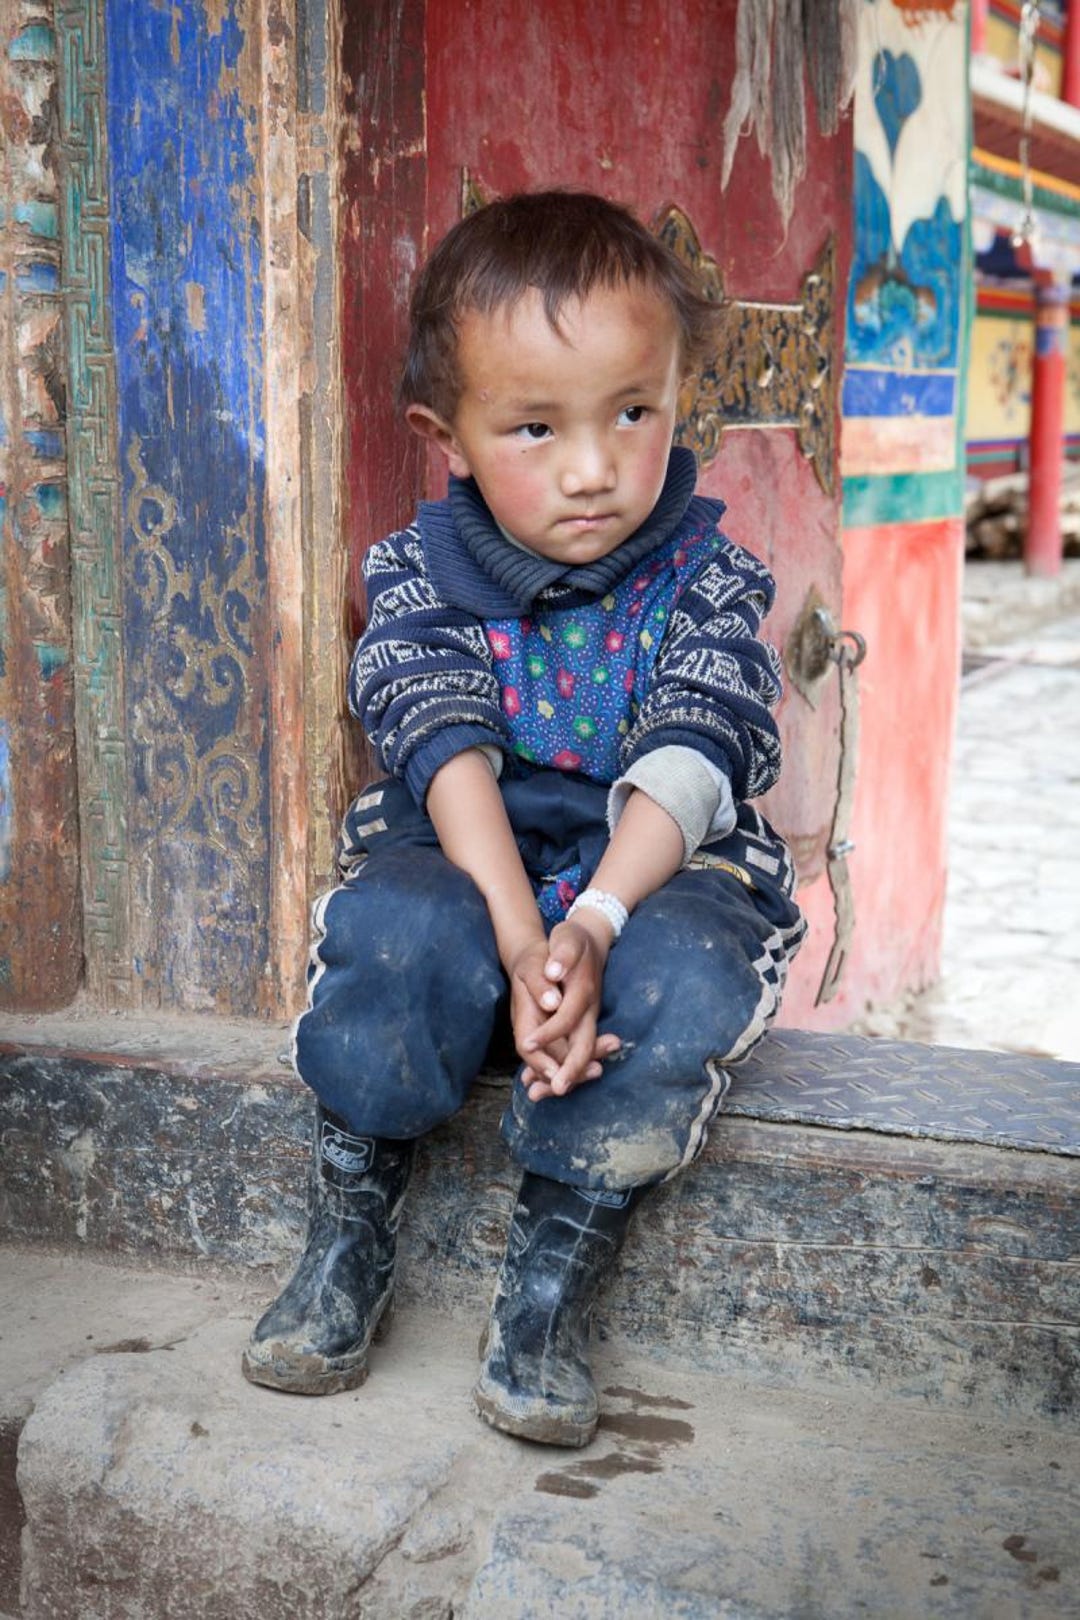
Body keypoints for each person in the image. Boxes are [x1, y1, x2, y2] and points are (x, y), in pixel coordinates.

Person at [243, 190, 805, 1447]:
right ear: (447, 436)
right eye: (536, 428)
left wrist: (597, 925)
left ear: (676, 394)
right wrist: (515, 937)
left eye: (633, 412)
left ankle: (558, 1253)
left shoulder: (712, 576)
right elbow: (442, 749)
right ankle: (351, 1216)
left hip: (655, 858)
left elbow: (694, 746)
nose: (595, 467)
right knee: (395, 926)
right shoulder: (414, 572)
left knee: (699, 961)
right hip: (473, 844)